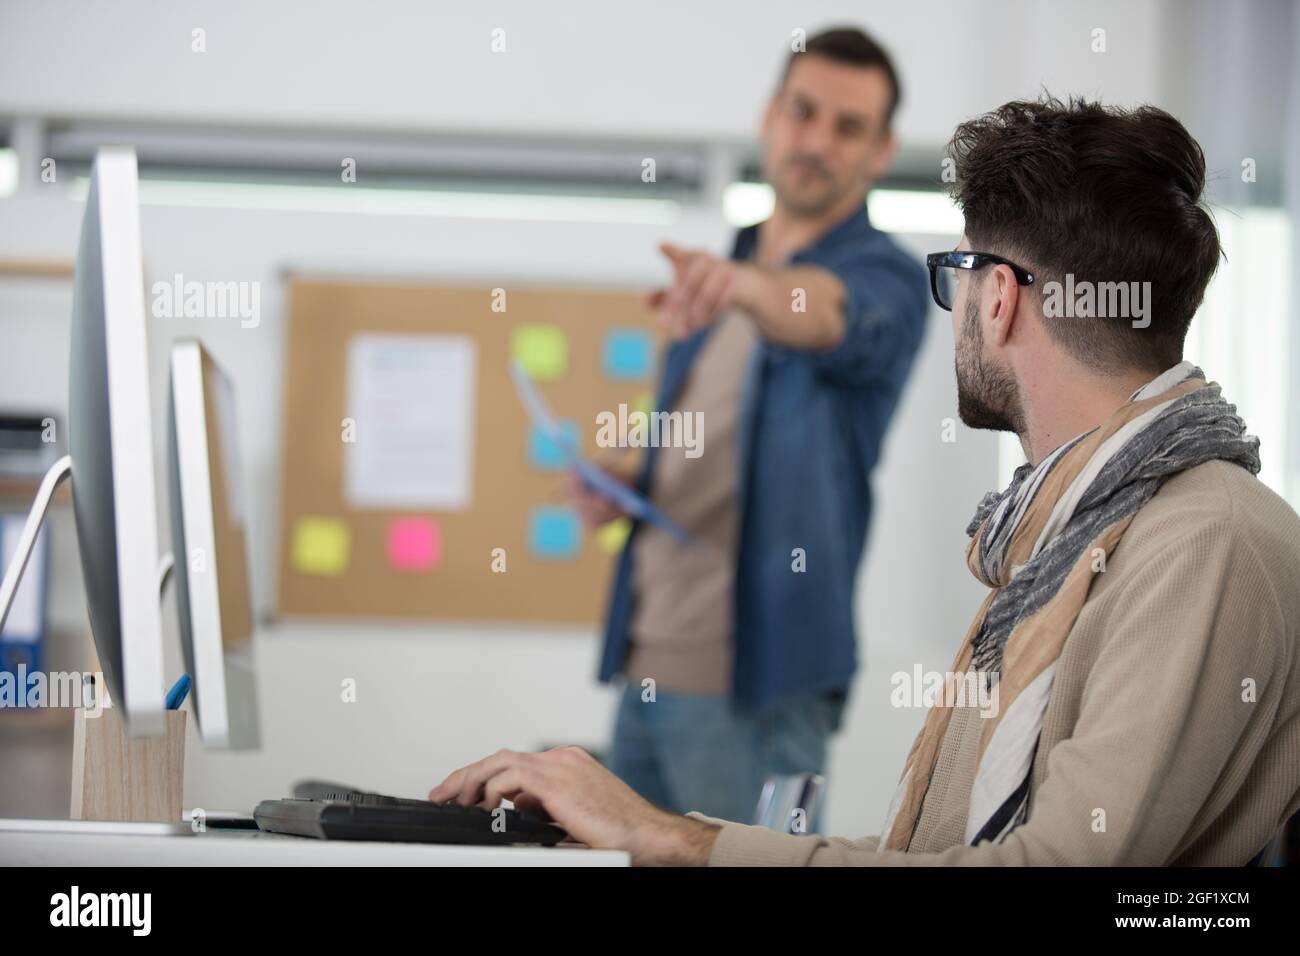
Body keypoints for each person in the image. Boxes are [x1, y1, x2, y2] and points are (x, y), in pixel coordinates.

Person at [431, 95, 1300, 865]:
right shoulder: (1061, 542)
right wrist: (659, 833)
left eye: (957, 276)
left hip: (753, 670)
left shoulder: (1203, 544)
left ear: (999, 298)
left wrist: (673, 838)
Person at [567, 26, 929, 823]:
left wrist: (746, 287)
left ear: (880, 151)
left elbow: (825, 312)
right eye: (804, 112)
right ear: (769, 118)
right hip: (645, 660)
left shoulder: (885, 280)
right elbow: (710, 445)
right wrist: (629, 482)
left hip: (759, 689)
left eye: (849, 127)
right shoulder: (720, 275)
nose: (818, 142)